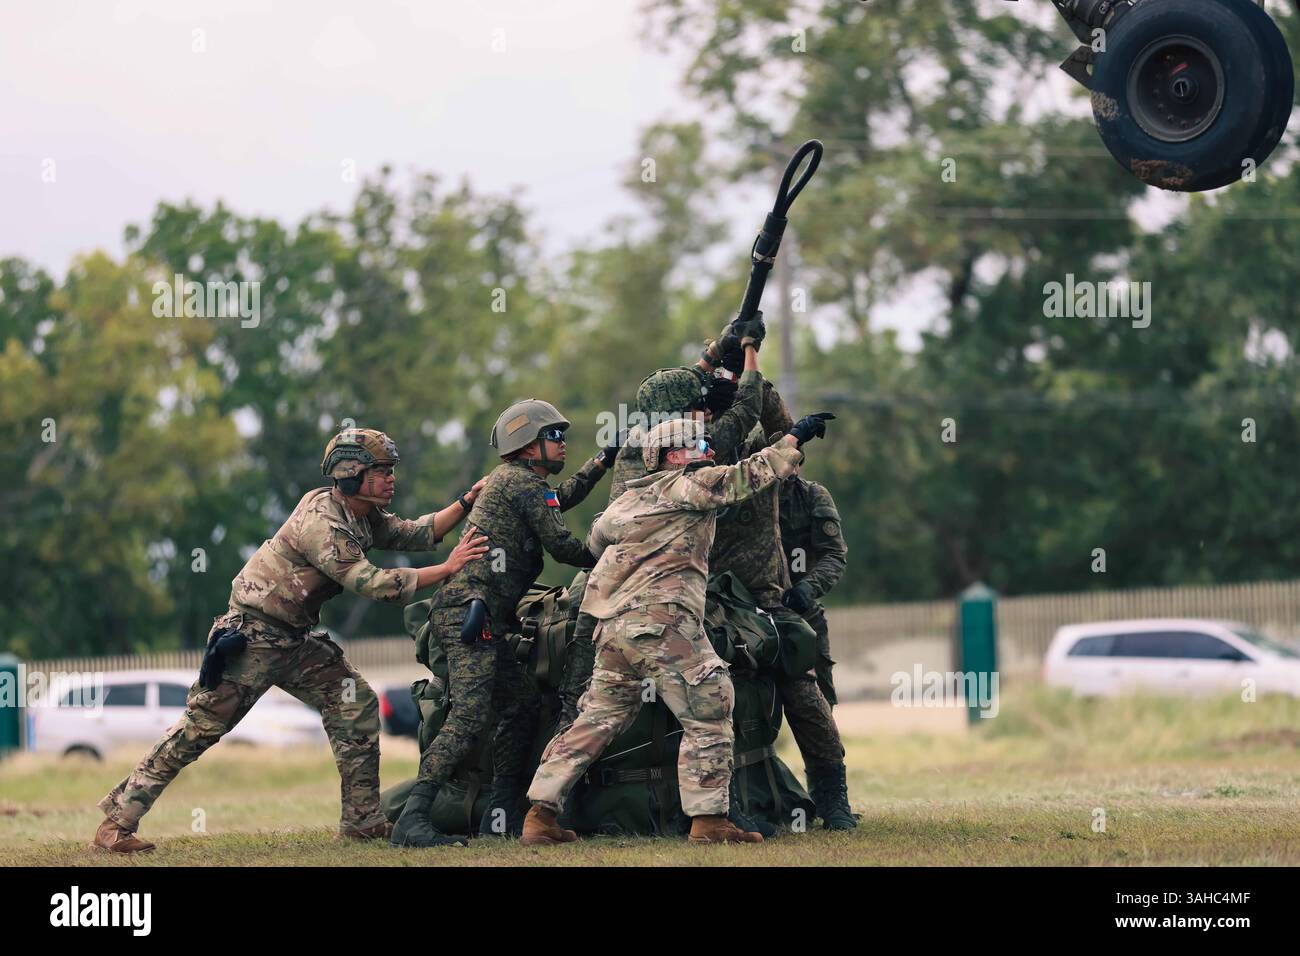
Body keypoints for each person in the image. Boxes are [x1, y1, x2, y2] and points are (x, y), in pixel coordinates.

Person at [92, 427, 489, 853]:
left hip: (294, 640)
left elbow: (415, 534)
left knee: (353, 700)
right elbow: (375, 584)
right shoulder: (323, 522)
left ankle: (363, 823)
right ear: (352, 474)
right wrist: (448, 570)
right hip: (253, 638)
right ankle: (116, 825)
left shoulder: (361, 513)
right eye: (382, 471)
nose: (391, 478)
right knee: (200, 729)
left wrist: (467, 501)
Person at [522, 404, 809, 846]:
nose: (708, 449)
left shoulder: (626, 501)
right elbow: (746, 476)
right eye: (698, 444)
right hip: (663, 624)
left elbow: (595, 540)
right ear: (673, 455)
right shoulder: (688, 483)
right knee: (711, 705)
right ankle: (709, 823)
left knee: (596, 719)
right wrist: (791, 442)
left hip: (614, 630)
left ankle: (540, 816)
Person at [391, 399, 611, 847]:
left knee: (521, 703)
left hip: (478, 613)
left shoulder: (522, 483)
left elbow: (558, 500)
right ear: (528, 446)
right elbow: (561, 543)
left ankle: (503, 808)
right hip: (470, 614)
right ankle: (412, 818)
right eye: (554, 437)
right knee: (470, 714)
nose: (562, 443)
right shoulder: (519, 482)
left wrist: (602, 460)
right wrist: (615, 552)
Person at [779, 465, 848, 708]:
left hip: (802, 611)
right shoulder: (746, 493)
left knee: (819, 709)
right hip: (749, 613)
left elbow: (834, 554)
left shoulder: (811, 496)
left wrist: (807, 589)